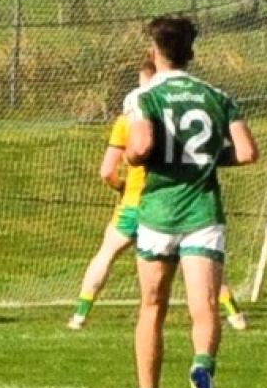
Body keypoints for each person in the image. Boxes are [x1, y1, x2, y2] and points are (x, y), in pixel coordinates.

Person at [124, 17, 259, 388]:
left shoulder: (145, 96)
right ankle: (202, 368)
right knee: (204, 307)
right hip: (203, 213)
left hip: (160, 213)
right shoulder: (218, 96)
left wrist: (133, 156)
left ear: (154, 51)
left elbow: (143, 145)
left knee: (152, 308)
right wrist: (207, 160)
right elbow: (248, 152)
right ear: (191, 53)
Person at [68, 59, 248, 332]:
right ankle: (235, 316)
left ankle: (80, 315)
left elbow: (107, 170)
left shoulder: (131, 116)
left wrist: (122, 188)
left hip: (136, 204)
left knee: (106, 255)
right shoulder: (181, 109)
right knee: (203, 262)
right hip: (179, 202)